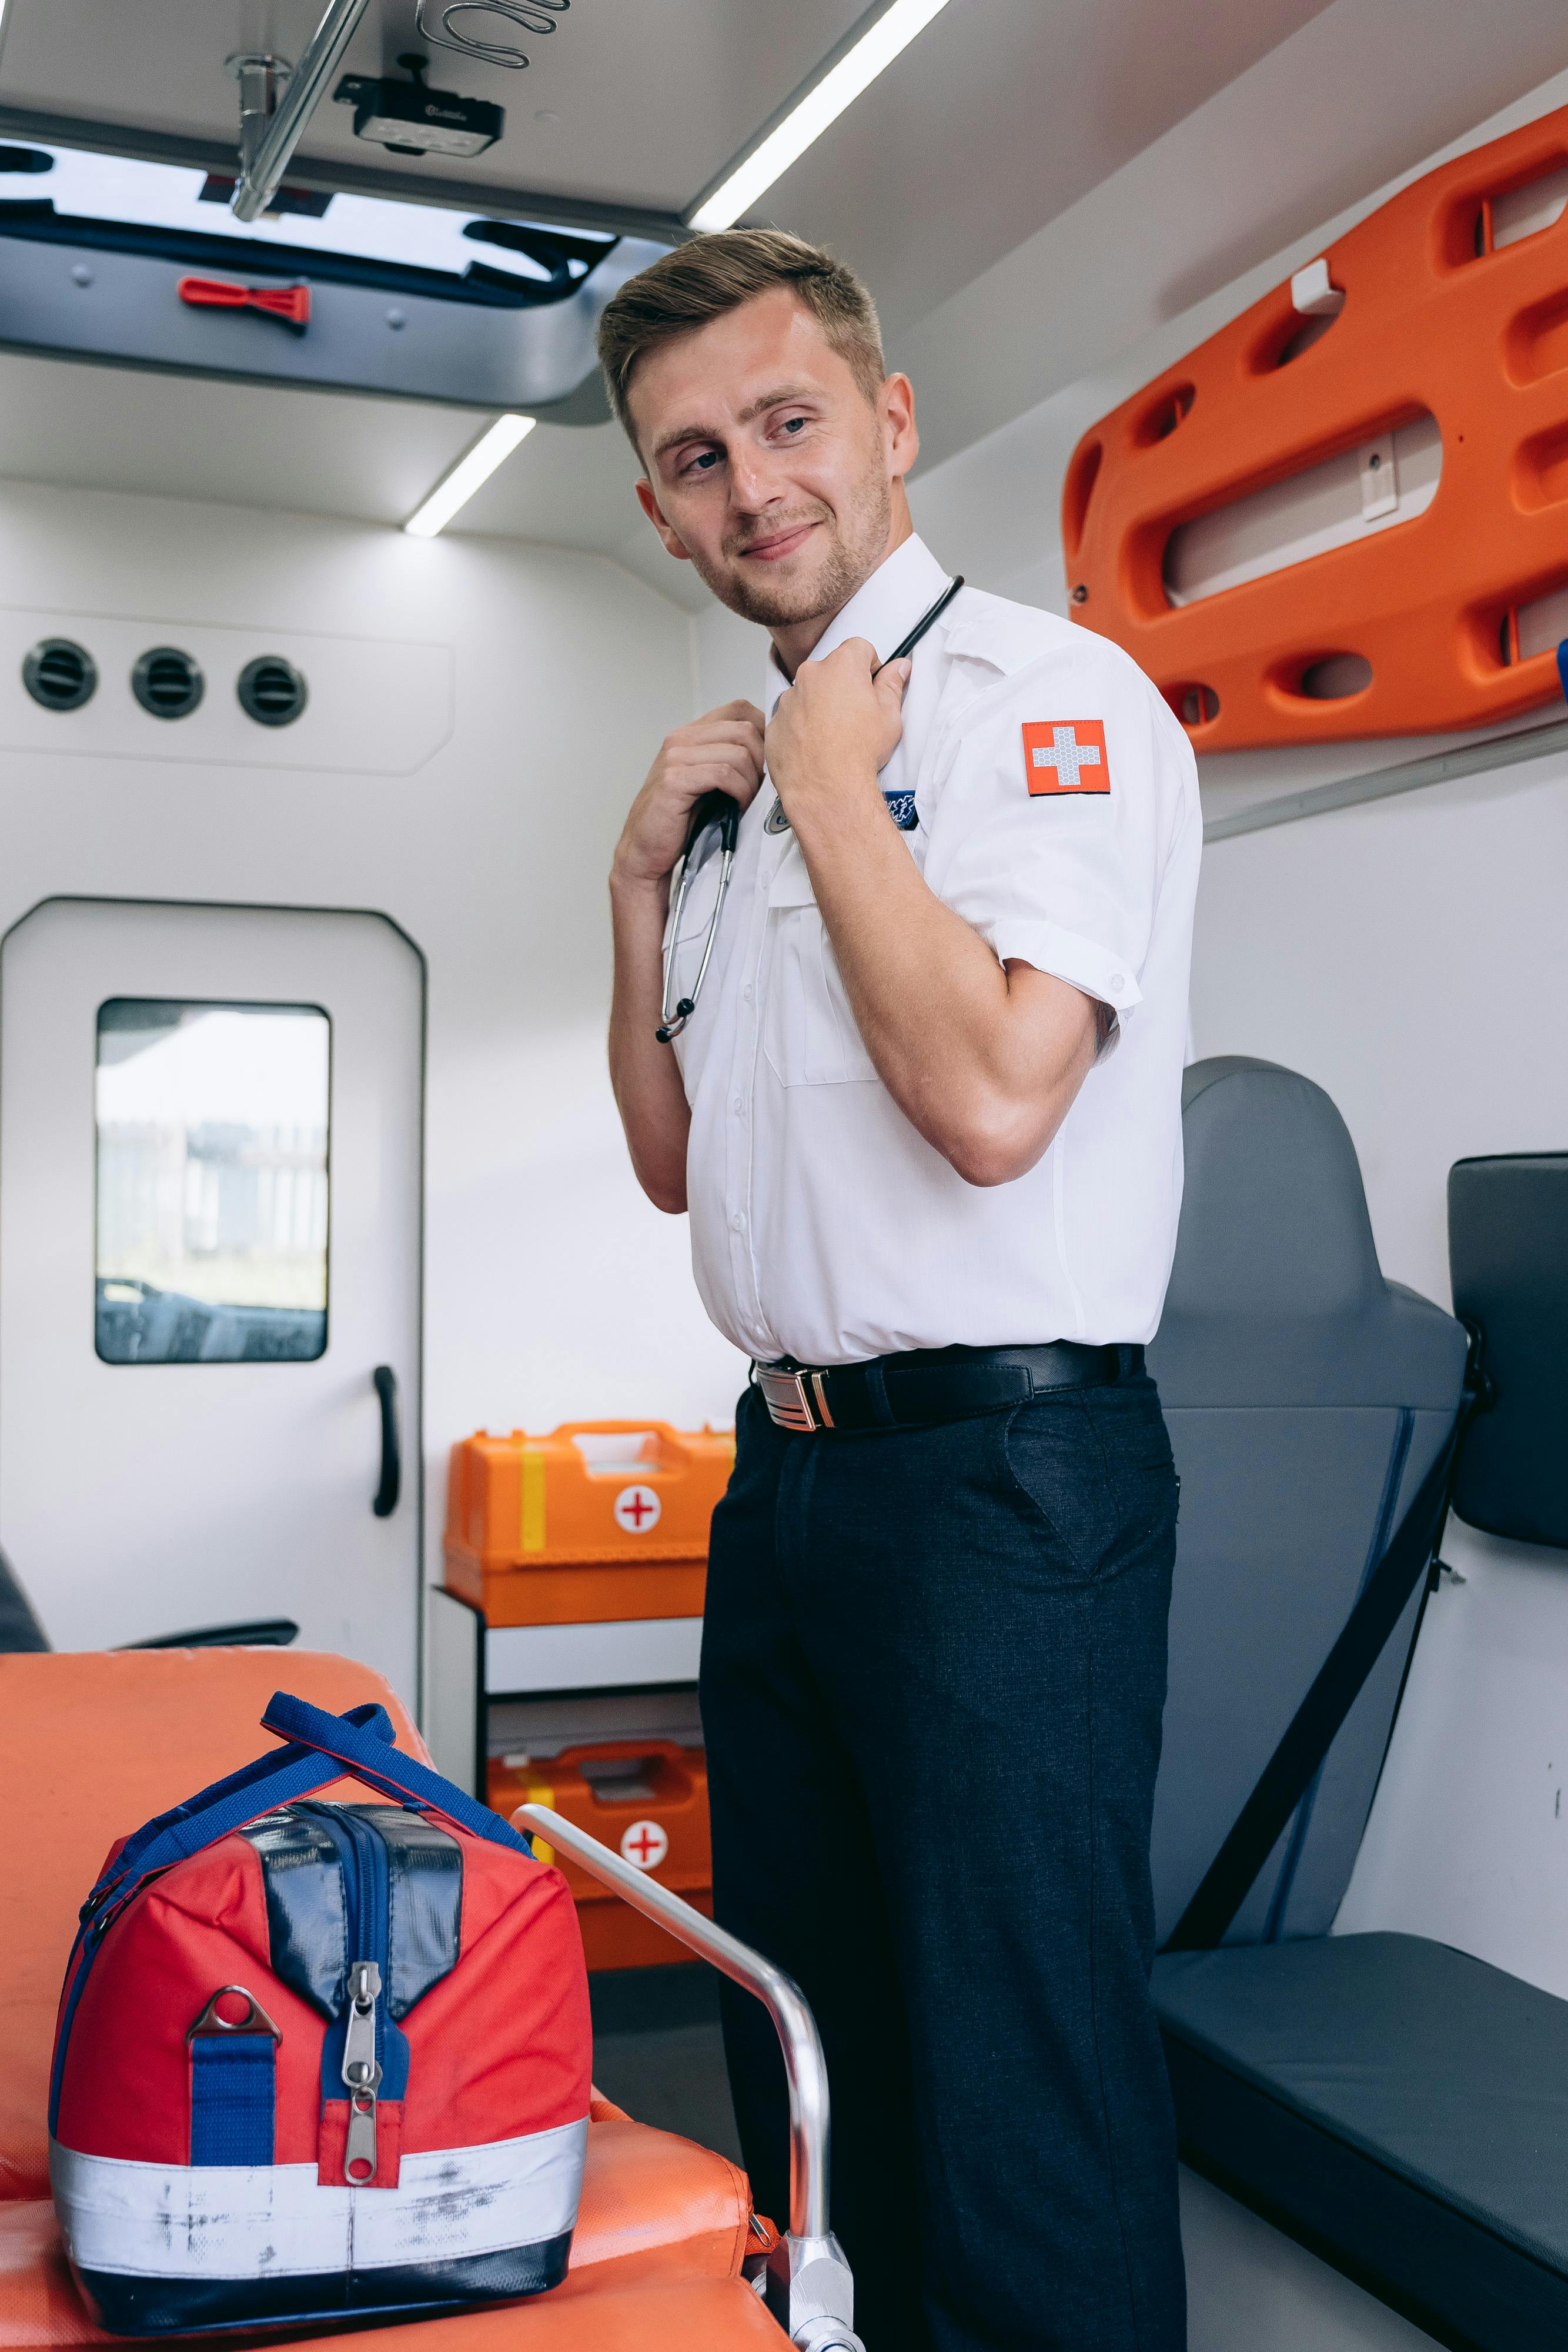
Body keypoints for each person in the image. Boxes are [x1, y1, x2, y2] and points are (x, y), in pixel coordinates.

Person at [597, 229, 1200, 2352]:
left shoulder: (1050, 701)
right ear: (654, 510)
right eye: (693, 458)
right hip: (795, 1485)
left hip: (999, 1487)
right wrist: (638, 886)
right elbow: (676, 1165)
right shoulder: (747, 789)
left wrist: (841, 788)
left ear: (886, 420)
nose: (752, 488)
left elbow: (986, 1101)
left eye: (783, 424)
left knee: (1015, 2097)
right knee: (815, 2062)